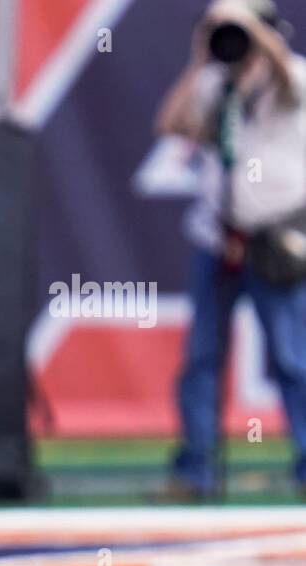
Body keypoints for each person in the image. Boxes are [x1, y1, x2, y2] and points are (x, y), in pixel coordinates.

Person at [155, 0, 306, 500]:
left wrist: (254, 32)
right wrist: (202, 57)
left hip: (275, 238)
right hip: (218, 239)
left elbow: (284, 72)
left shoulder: (292, 79)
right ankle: (194, 470)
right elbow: (171, 124)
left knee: (291, 357)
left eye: (236, 30)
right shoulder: (215, 81)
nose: (230, 37)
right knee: (201, 357)